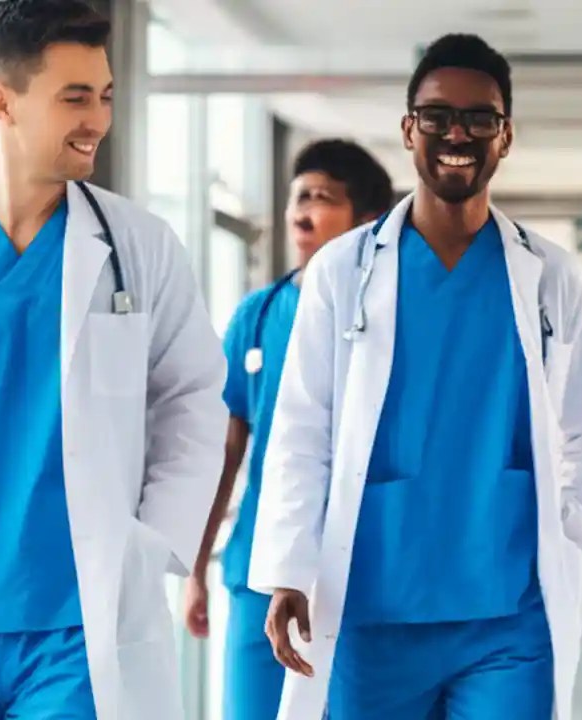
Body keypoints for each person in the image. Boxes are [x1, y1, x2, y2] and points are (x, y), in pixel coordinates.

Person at [0, 1, 226, 718]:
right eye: (75, 97)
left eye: (106, 95)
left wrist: (152, 543)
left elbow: (192, 395)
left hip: (79, 624)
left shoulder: (139, 246)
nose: (98, 118)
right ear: (4, 102)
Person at [246, 33, 582, 720]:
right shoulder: (342, 271)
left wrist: (576, 538)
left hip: (511, 615)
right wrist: (289, 569)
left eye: (480, 118)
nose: (457, 133)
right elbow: (302, 428)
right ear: (409, 129)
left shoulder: (552, 277)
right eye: (438, 115)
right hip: (371, 610)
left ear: (505, 137)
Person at [183, 139, 394, 720]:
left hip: (362, 570)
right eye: (298, 195)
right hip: (259, 564)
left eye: (323, 197)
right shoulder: (258, 314)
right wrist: (197, 568)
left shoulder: (388, 317)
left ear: (367, 219)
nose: (302, 209)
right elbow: (226, 452)